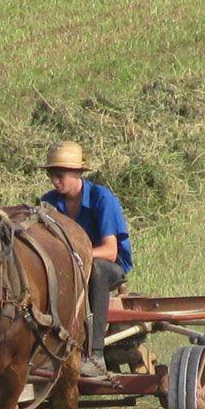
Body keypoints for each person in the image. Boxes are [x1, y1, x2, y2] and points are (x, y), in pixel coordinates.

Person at [39, 141, 132, 377]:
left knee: (98, 271)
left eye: (60, 175)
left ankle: (95, 352)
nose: (55, 181)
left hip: (107, 267)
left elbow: (110, 251)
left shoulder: (102, 198)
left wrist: (77, 256)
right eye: (52, 174)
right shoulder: (48, 203)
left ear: (77, 173)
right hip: (68, 267)